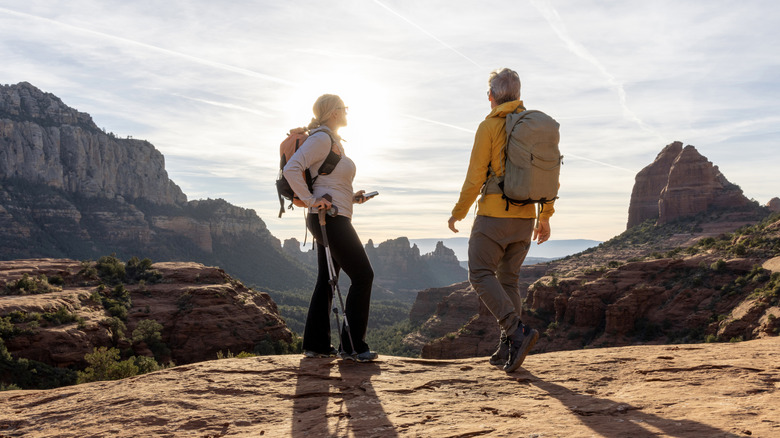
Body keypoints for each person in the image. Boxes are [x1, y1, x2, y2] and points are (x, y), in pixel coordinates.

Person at [447, 68, 554, 373]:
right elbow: (547, 173)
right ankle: (508, 347)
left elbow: (475, 175)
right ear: (518, 96)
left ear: (491, 96)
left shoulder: (489, 126)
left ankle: (516, 332)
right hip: (525, 218)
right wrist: (544, 215)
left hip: (494, 215)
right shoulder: (533, 126)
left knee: (480, 274)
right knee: (509, 280)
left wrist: (459, 211)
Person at [282, 94, 378, 362]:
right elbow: (293, 169)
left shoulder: (331, 141)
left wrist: (353, 197)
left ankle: (316, 345)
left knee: (326, 280)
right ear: (334, 112)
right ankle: (353, 346)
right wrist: (313, 200)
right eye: (344, 108)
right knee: (363, 275)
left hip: (332, 215)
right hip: (329, 219)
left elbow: (328, 182)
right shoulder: (321, 138)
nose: (347, 112)